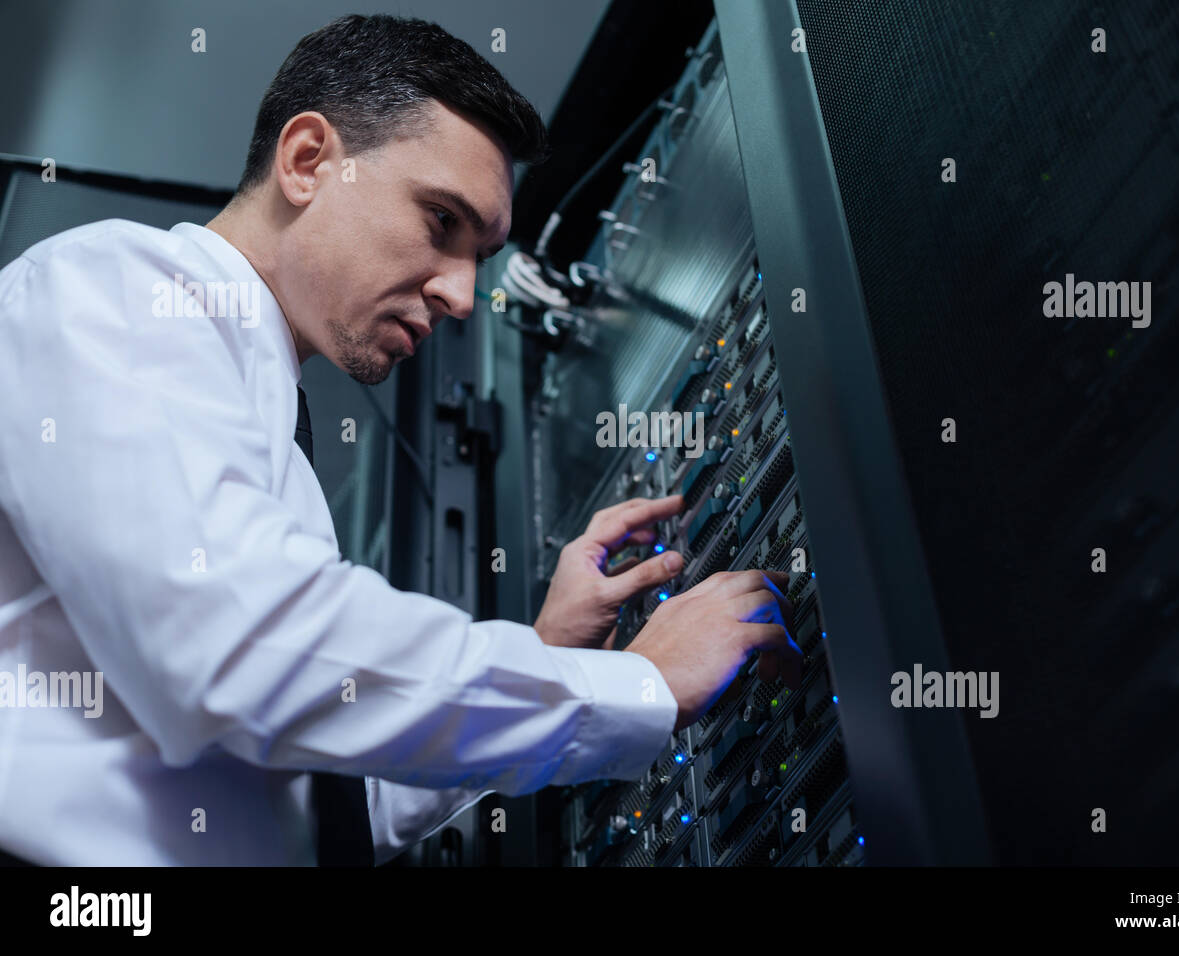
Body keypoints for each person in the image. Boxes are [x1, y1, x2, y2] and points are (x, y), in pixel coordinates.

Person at [0, 13, 800, 866]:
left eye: (482, 257)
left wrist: (546, 649)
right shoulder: (121, 287)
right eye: (441, 221)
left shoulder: (259, 424)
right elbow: (233, 653)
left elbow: (334, 809)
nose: (462, 294)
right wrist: (637, 686)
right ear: (308, 161)